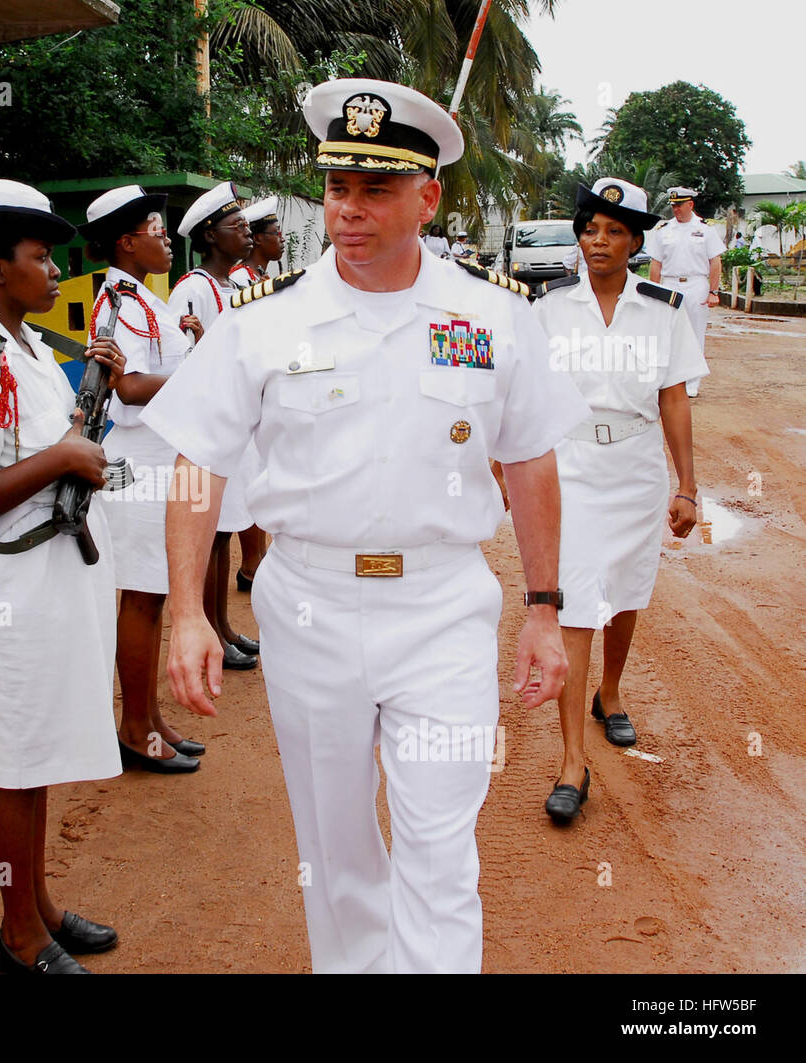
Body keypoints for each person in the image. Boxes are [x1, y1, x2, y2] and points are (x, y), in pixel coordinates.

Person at [143, 78, 591, 974]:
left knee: (439, 847)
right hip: (309, 608)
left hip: (441, 610)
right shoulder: (262, 323)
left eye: (375, 189)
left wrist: (544, 607)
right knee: (337, 849)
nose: (348, 211)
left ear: (428, 197)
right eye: (337, 188)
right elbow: (199, 457)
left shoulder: (492, 316)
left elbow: (532, 458)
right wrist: (189, 611)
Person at [0, 179, 125, 974]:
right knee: (12, 759)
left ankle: (35, 902)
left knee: (36, 751)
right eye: (40, 259)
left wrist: (87, 413)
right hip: (6, 585)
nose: (53, 272)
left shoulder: (30, 348)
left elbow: (49, 443)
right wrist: (65, 455)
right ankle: (19, 935)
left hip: (47, 574)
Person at [530, 178, 705, 823]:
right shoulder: (548, 309)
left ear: (635, 242)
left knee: (624, 596)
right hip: (571, 469)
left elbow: (674, 399)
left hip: (634, 470)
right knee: (574, 603)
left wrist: (687, 486)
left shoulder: (663, 310)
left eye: (612, 231)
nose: (596, 241)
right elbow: (529, 397)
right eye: (588, 229)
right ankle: (573, 762)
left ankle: (611, 690)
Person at [79, 185, 204, 774]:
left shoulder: (144, 301)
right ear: (127, 242)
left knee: (152, 595)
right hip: (137, 462)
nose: (166, 240)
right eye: (156, 231)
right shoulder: (122, 306)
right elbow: (126, 390)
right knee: (142, 596)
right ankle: (133, 728)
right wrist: (204, 381)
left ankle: (148, 717)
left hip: (158, 455)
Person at [169, 183, 260, 670]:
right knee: (211, 533)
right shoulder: (194, 288)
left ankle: (222, 625)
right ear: (209, 234)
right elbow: (188, 361)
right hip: (209, 428)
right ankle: (207, 625)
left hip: (235, 428)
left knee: (225, 532)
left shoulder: (233, 285)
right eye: (236, 226)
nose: (245, 232)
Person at [228, 196, 285, 590]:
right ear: (260, 240)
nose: (281, 238)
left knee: (263, 475)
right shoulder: (240, 280)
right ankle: (251, 564)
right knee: (249, 482)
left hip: (268, 393)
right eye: (275, 233)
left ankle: (256, 561)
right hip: (248, 393)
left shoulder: (260, 277)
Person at [645, 186, 724, 397]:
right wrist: (654, 290)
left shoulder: (705, 229)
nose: (676, 210)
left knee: (695, 333)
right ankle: (668, 378)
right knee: (666, 332)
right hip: (670, 283)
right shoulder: (663, 230)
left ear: (690, 204)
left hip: (696, 284)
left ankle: (692, 382)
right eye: (673, 206)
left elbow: (715, 261)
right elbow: (656, 263)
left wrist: (714, 291)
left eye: (679, 205)